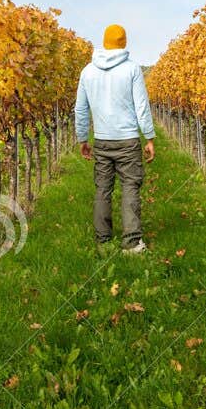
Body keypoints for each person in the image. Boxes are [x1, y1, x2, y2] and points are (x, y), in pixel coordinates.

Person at [73, 24, 155, 252]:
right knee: (130, 186)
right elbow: (141, 106)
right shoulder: (132, 69)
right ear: (124, 42)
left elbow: (80, 109)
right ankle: (131, 243)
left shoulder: (88, 71)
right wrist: (148, 137)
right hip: (128, 140)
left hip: (102, 140)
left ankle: (103, 240)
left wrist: (82, 139)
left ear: (105, 41)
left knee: (102, 188)